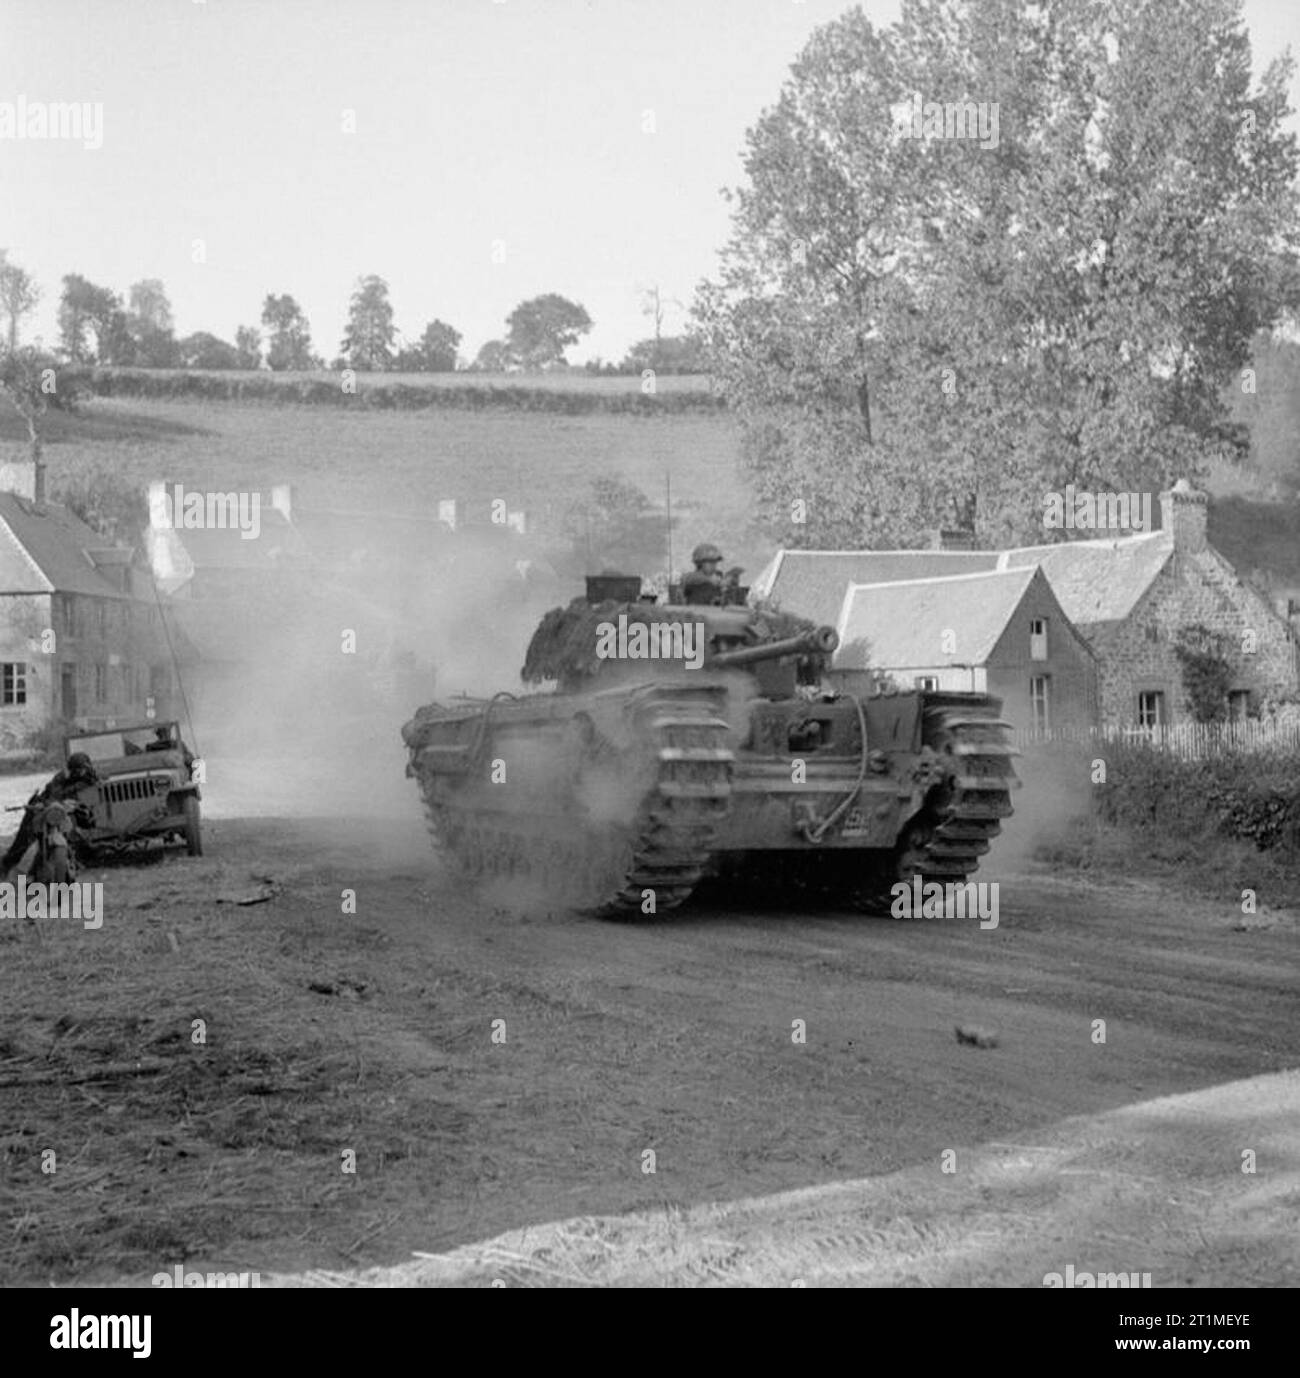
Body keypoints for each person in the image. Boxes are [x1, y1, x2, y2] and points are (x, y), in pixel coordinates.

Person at [1, 752, 100, 876]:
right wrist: (69, 795)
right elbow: (54, 794)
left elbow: (94, 786)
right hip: (46, 805)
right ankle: (8, 864)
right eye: (79, 770)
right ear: (72, 769)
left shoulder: (90, 775)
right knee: (26, 836)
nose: (82, 772)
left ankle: (75, 858)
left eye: (84, 769)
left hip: (72, 809)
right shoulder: (62, 777)